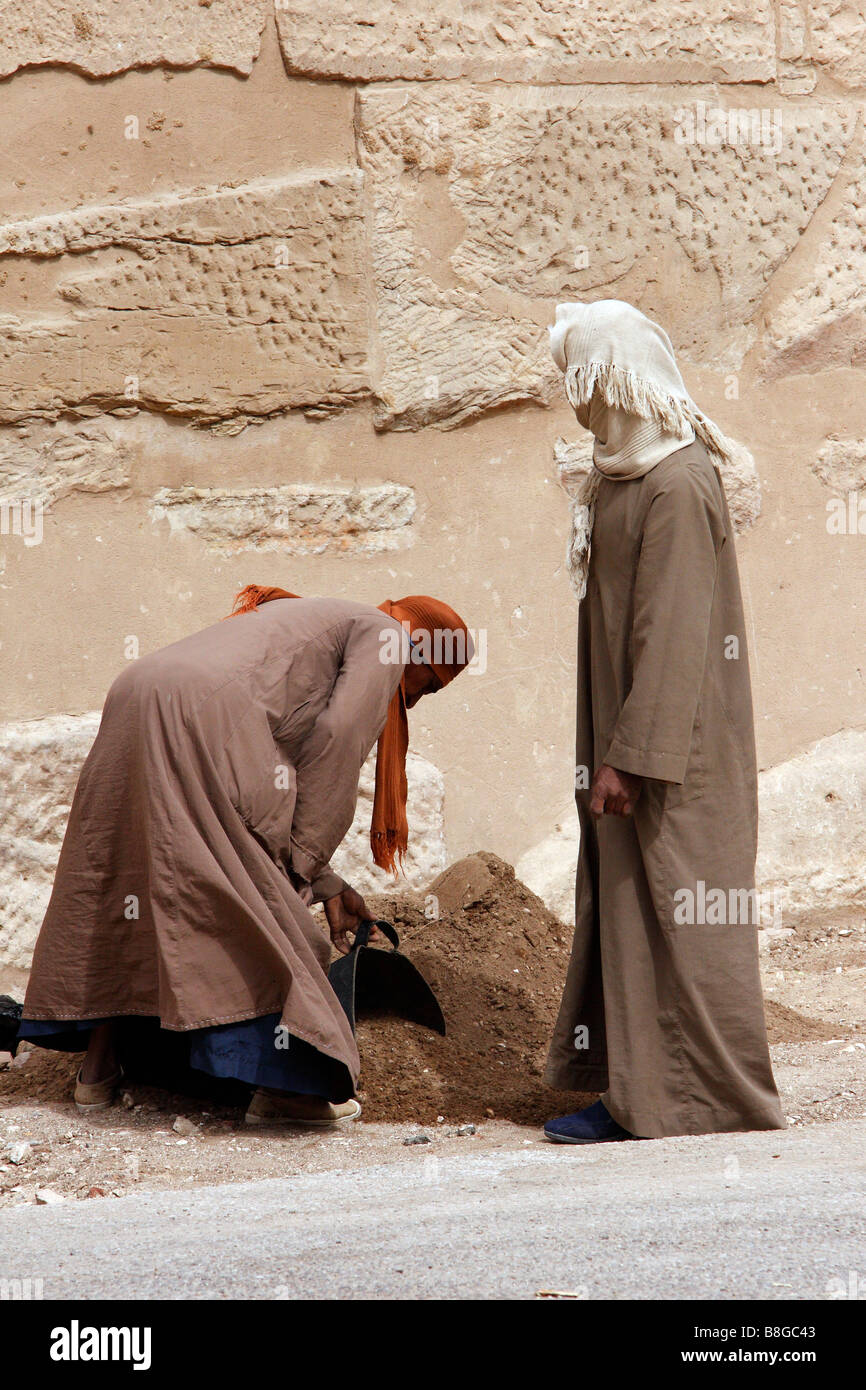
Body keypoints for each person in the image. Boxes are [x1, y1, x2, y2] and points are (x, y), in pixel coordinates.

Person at [18, 587, 473, 1127]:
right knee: (251, 906)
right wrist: (299, 869)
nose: (416, 702)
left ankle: (97, 1072)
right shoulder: (387, 638)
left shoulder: (313, 617)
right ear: (421, 649)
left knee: (130, 878)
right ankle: (289, 1088)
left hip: (138, 696)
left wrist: (328, 885)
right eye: (430, 685)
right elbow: (338, 742)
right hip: (202, 719)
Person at [543, 299, 785, 1143]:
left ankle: (705, 1101)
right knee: (629, 909)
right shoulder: (621, 477)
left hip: (672, 751)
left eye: (580, 378)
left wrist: (630, 759)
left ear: (611, 379)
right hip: (628, 736)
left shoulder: (677, 484)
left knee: (686, 911)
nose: (573, 398)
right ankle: (636, 1092)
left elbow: (675, 634)